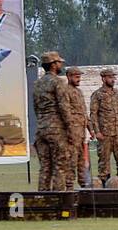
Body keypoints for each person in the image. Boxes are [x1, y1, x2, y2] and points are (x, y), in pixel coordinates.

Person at [32, 51, 73, 190]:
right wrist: (70, 128)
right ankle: (58, 202)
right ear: (53, 65)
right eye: (59, 62)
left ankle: (42, 200)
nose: (61, 64)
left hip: (41, 129)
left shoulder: (37, 84)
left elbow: (36, 107)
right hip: (56, 130)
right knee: (59, 167)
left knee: (45, 167)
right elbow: (64, 107)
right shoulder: (57, 82)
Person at [90, 68, 118, 185]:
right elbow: (93, 114)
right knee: (104, 164)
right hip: (105, 134)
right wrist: (96, 131)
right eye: (110, 77)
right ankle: (104, 187)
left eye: (114, 77)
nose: (113, 80)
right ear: (103, 79)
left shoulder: (117, 94)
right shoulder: (97, 95)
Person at [62, 66, 91, 189]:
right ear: (69, 77)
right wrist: (69, 131)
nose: (79, 79)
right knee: (71, 161)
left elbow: (84, 113)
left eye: (79, 77)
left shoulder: (79, 92)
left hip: (81, 134)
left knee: (81, 162)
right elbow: (65, 112)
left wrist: (91, 129)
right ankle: (69, 186)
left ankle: (83, 185)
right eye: (76, 77)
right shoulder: (65, 91)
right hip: (72, 133)